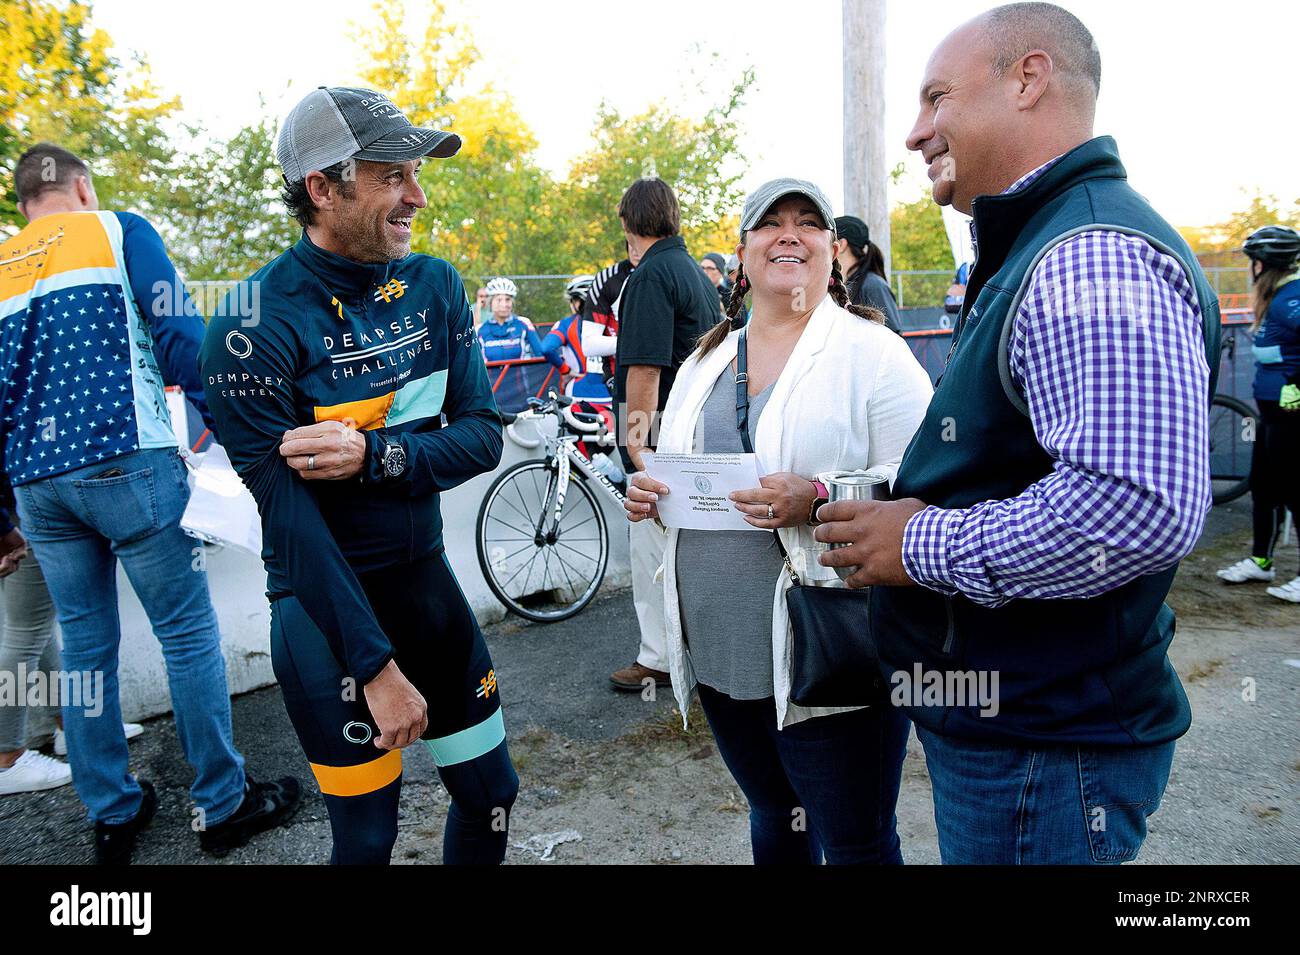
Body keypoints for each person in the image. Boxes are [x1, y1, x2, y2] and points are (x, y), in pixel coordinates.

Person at [817, 3, 1220, 865]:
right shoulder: (1041, 243)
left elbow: (1134, 505)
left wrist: (918, 542)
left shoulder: (1087, 253)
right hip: (1024, 721)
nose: (916, 132)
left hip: (1046, 736)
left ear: (1028, 79)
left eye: (935, 99)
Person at [200, 86, 518, 865]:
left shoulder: (435, 285)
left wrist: (373, 455)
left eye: (414, 173)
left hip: (426, 583)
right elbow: (291, 520)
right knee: (368, 836)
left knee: (494, 797)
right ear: (322, 188)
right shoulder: (250, 324)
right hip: (325, 610)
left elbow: (481, 437)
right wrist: (374, 666)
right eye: (391, 176)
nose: (418, 196)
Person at [0, 143, 300, 863]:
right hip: (127, 459)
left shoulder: (4, 266)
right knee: (187, 633)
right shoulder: (116, 228)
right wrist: (233, 429)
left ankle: (112, 810)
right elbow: (178, 336)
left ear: (22, 203)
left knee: (84, 646)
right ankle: (222, 802)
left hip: (38, 484)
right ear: (81, 185)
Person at [625, 179, 933, 863]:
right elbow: (674, 468)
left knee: (854, 839)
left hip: (831, 649)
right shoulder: (707, 359)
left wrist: (819, 497)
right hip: (720, 644)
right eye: (769, 223)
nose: (789, 234)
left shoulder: (872, 353)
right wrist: (649, 489)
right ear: (742, 254)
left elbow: (928, 483)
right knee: (775, 813)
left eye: (808, 223)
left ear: (833, 251)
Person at [609, 177, 722, 693]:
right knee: (689, 550)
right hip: (697, 432)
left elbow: (645, 371)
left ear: (629, 223)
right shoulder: (696, 274)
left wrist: (639, 448)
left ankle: (658, 659)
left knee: (652, 549)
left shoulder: (652, 275)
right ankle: (696, 655)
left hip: (666, 440)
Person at [0, 474, 145, 797]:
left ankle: (71, 725)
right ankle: (6, 757)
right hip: (16, 509)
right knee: (24, 633)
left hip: (19, 503)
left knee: (34, 626)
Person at [1216, 226, 1300, 602]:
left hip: (1291, 411)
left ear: (1262, 263)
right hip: (1271, 412)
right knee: (1263, 487)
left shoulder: (1291, 298)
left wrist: (1296, 384)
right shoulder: (1277, 296)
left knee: (1295, 490)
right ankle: (1261, 561)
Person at [542, 275, 614, 405]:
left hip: (580, 391)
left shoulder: (566, 324)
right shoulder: (613, 322)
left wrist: (566, 370)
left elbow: (546, 348)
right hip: (614, 390)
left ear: (577, 302)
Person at [833, 215, 902, 333]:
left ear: (841, 245)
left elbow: (892, 335)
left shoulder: (873, 285)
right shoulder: (839, 284)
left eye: (828, 240)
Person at [478, 276, 562, 368]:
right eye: (499, 300)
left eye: (508, 299)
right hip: (493, 382)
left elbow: (540, 354)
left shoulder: (523, 323)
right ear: (491, 302)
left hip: (520, 381)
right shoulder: (480, 330)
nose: (504, 304)